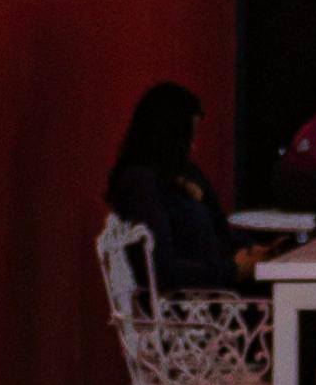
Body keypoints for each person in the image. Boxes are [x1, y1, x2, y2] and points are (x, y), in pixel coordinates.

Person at [104, 82, 244, 293]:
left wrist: (253, 252)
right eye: (189, 137)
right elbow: (162, 270)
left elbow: (220, 229)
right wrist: (232, 271)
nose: (193, 146)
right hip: (191, 303)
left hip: (215, 288)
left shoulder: (188, 174)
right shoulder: (141, 185)